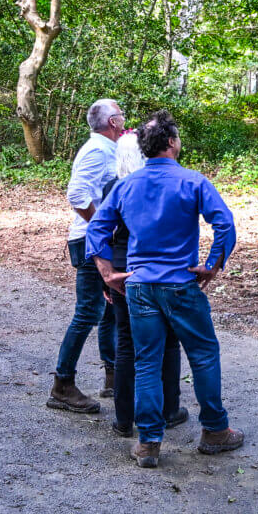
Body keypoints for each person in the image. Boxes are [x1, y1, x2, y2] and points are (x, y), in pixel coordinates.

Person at [88, 110, 243, 468]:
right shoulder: (193, 181)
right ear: (172, 142)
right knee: (203, 354)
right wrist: (212, 265)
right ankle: (215, 431)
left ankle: (149, 443)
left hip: (140, 287)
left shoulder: (127, 185)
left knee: (146, 362)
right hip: (180, 285)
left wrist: (107, 272)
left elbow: (97, 229)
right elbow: (225, 223)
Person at [100, 130, 189, 437]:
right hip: (156, 269)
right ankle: (168, 409)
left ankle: (123, 418)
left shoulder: (114, 186)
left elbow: (102, 232)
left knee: (126, 341)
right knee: (167, 340)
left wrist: (105, 275)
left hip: (121, 268)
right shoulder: (157, 184)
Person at [47, 99, 122, 413]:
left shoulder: (109, 149)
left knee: (108, 309)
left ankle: (113, 377)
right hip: (90, 241)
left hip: (98, 239)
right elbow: (76, 194)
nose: (125, 117)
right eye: (120, 112)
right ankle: (63, 385)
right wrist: (101, 226)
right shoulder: (96, 151)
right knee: (88, 312)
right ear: (112, 122)